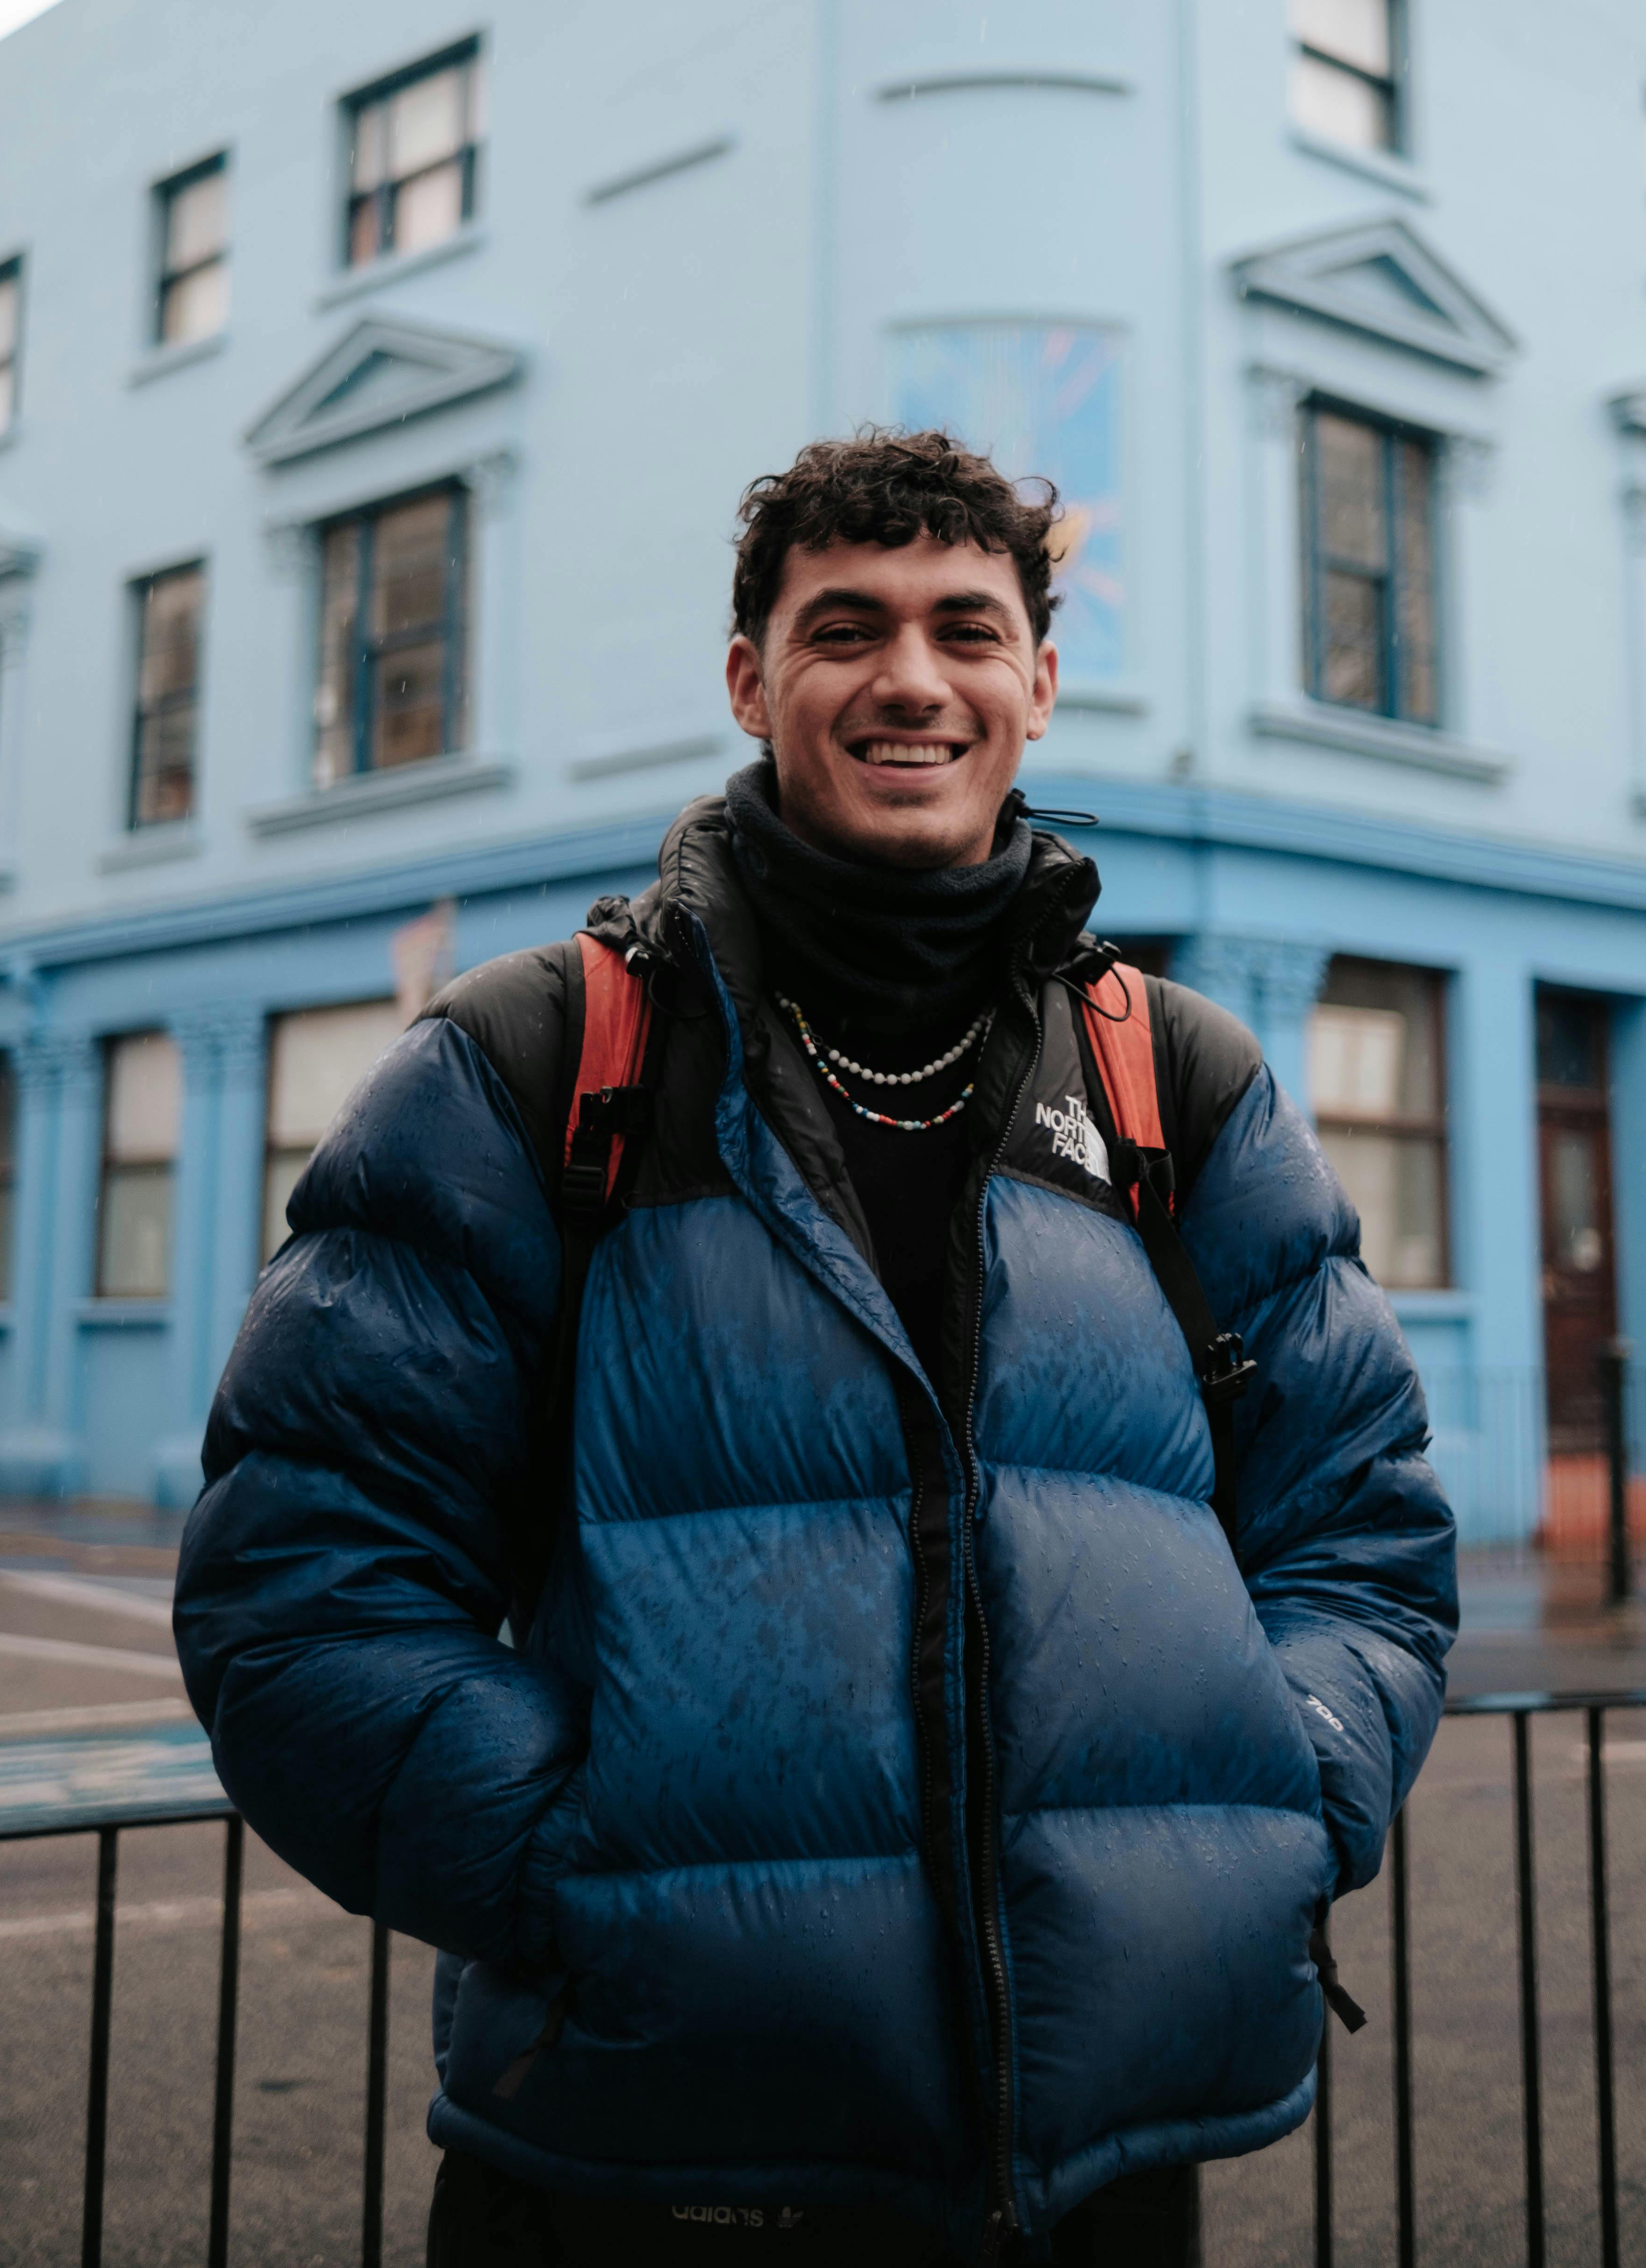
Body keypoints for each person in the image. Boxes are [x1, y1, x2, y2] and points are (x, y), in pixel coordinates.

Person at [174, 430, 1456, 2268]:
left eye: (966, 627)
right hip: (646, 2171)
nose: (909, 679)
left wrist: (1284, 1795)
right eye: (842, 628)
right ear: (750, 680)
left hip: (1092, 2165)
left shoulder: (1172, 1078)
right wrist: (580, 1871)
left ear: (1036, 683)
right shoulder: (536, 1061)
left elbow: (1366, 1526)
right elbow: (300, 1588)